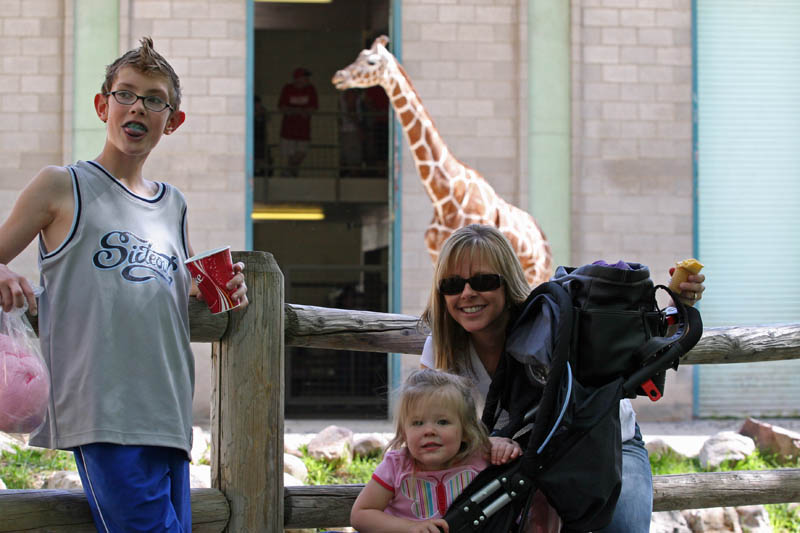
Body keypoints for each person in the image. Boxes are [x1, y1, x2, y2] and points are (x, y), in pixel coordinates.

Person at [0, 37, 248, 532]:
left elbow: (164, 284)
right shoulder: (61, 185)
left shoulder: (173, 203)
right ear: (103, 105)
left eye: (154, 99)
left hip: (170, 414)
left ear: (172, 120)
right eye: (126, 94)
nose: (138, 107)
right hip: (103, 412)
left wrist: (208, 289)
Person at [419, 224, 706, 533]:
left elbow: (631, 349)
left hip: (605, 440)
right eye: (452, 284)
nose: (467, 293)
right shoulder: (442, 348)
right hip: (518, 456)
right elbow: (424, 421)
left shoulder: (552, 324)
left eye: (484, 281)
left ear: (507, 283)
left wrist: (678, 306)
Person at [351, 368, 508, 532]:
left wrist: (505, 447)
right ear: (404, 433)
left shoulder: (481, 459)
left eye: (442, 422)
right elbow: (361, 514)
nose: (429, 431)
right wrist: (410, 527)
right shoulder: (396, 466)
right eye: (418, 423)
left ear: (466, 431)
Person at [277, 67, 318, 177]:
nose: (307, 79)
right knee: (290, 154)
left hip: (303, 130)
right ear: (297, 78)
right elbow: (282, 107)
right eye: (305, 77)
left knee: (301, 153)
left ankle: (288, 171)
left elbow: (313, 108)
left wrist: (295, 111)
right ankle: (292, 173)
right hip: (288, 129)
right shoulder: (287, 88)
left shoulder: (311, 89)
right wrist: (299, 111)